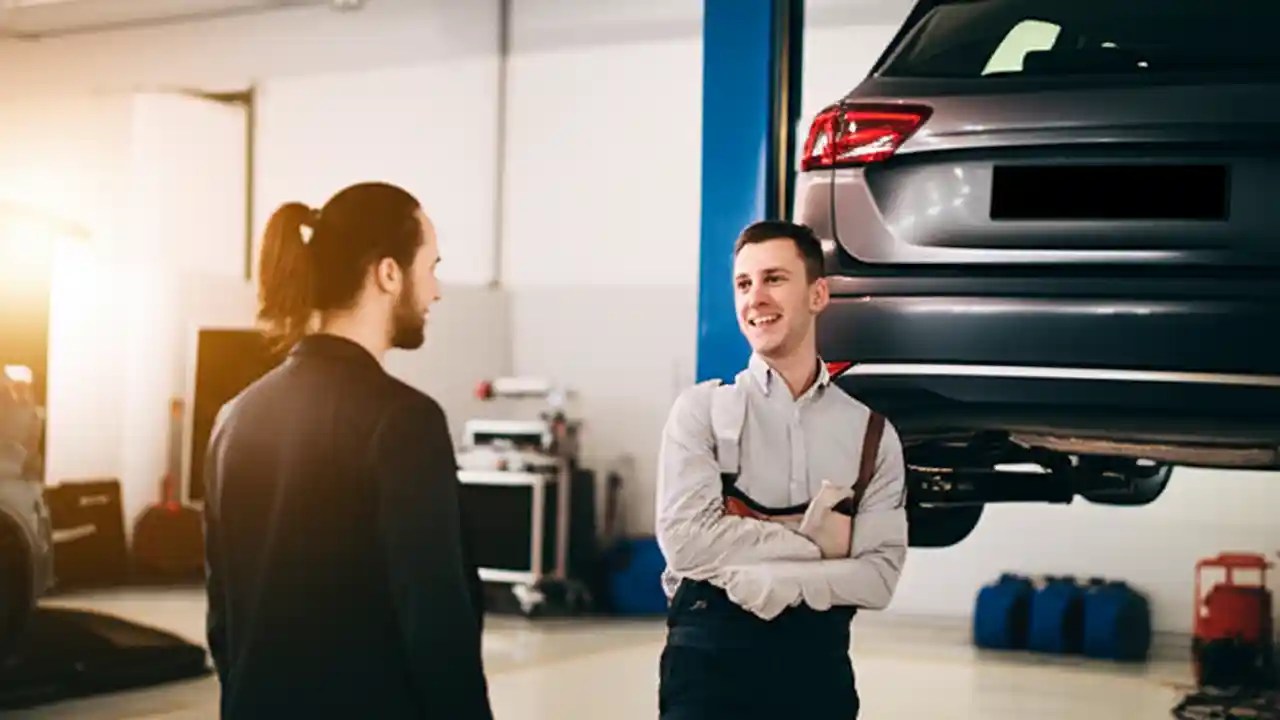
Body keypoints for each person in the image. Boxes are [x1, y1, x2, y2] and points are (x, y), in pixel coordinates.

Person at [202, 182, 493, 719]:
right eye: (430, 266)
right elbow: (436, 625)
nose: (436, 291)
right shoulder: (403, 421)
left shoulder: (234, 419)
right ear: (387, 273)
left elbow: (224, 623)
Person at [654, 220, 909, 719]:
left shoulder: (870, 437)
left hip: (815, 674)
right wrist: (816, 548)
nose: (755, 299)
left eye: (773, 279)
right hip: (707, 668)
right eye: (744, 284)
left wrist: (774, 578)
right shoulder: (701, 412)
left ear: (817, 295)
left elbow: (878, 578)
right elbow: (685, 540)